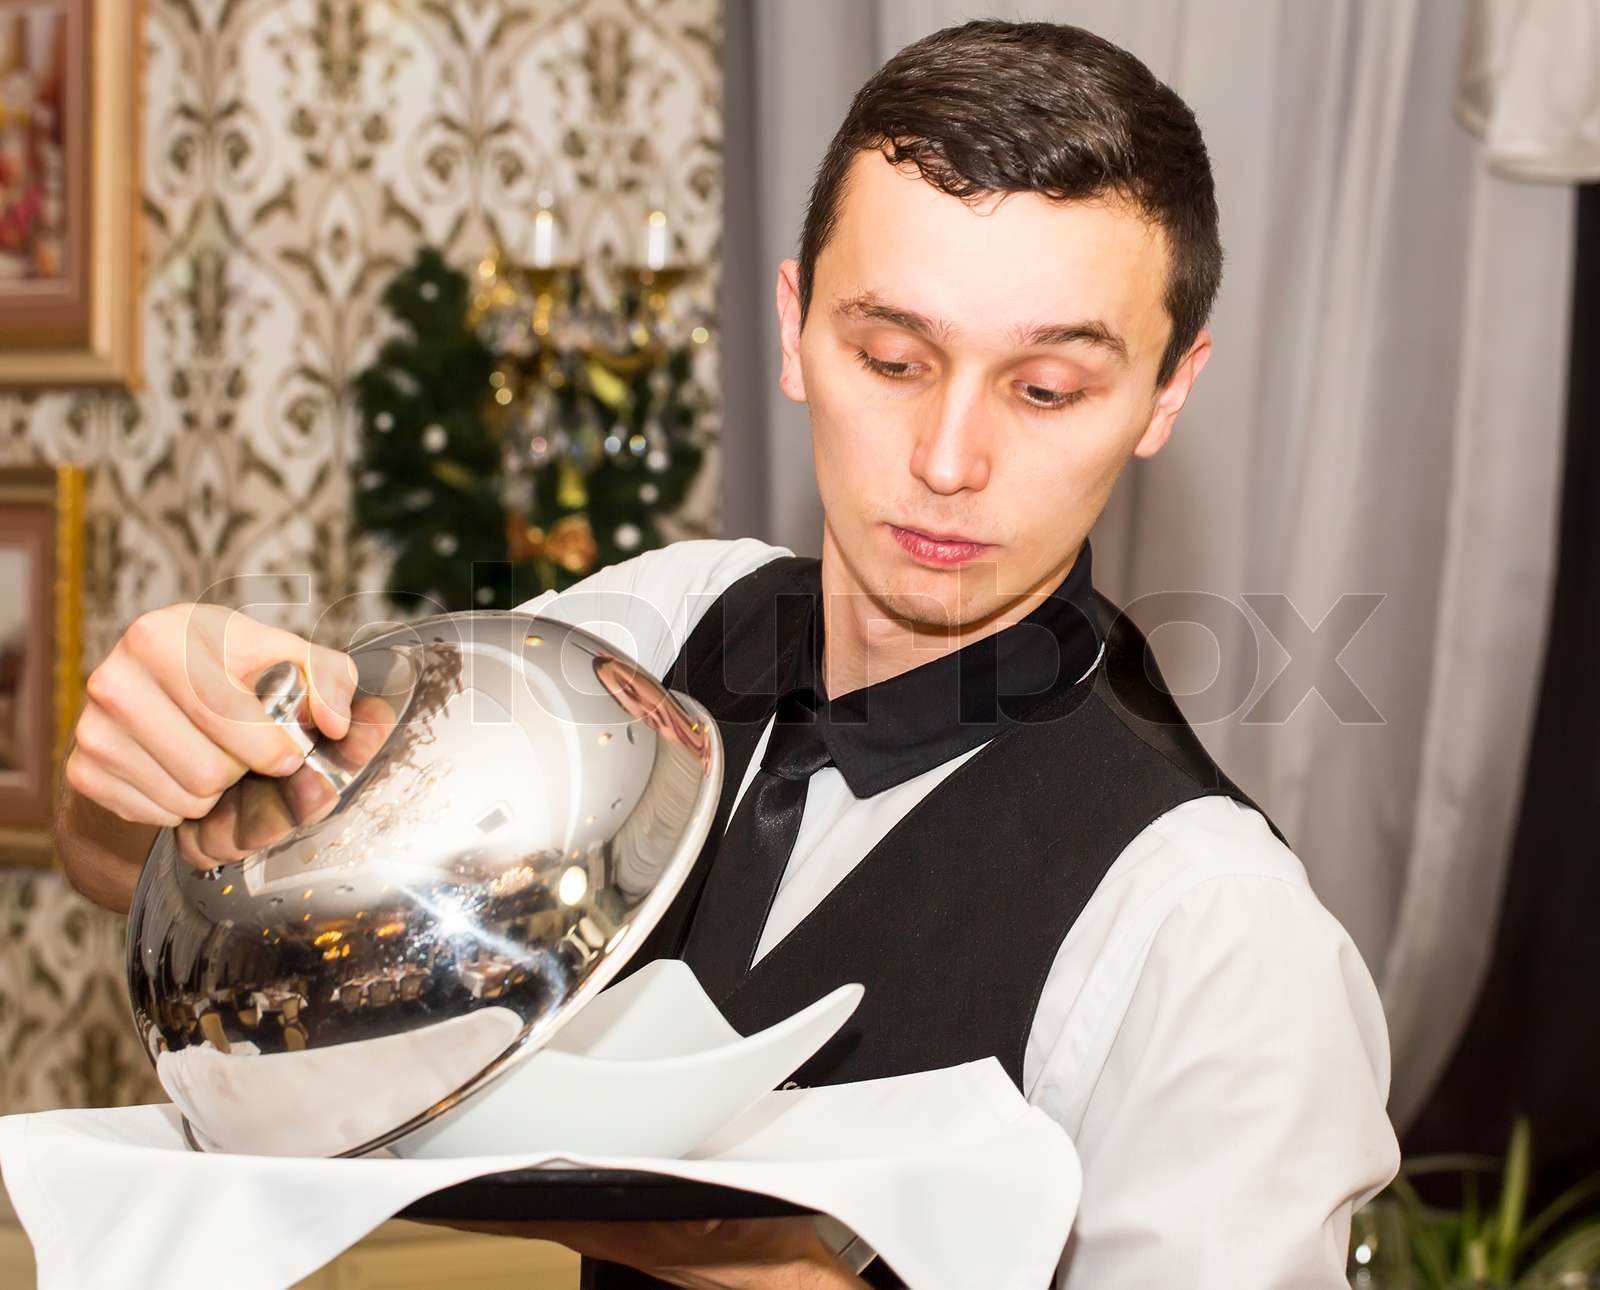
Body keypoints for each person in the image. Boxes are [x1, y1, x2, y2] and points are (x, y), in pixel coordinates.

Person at [54, 19, 1400, 1290]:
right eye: (890, 356)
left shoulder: (1220, 936)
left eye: (1046, 388)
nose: (947, 460)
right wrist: (170, 772)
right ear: (792, 324)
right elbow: (201, 900)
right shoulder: (647, 632)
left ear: (1167, 390)